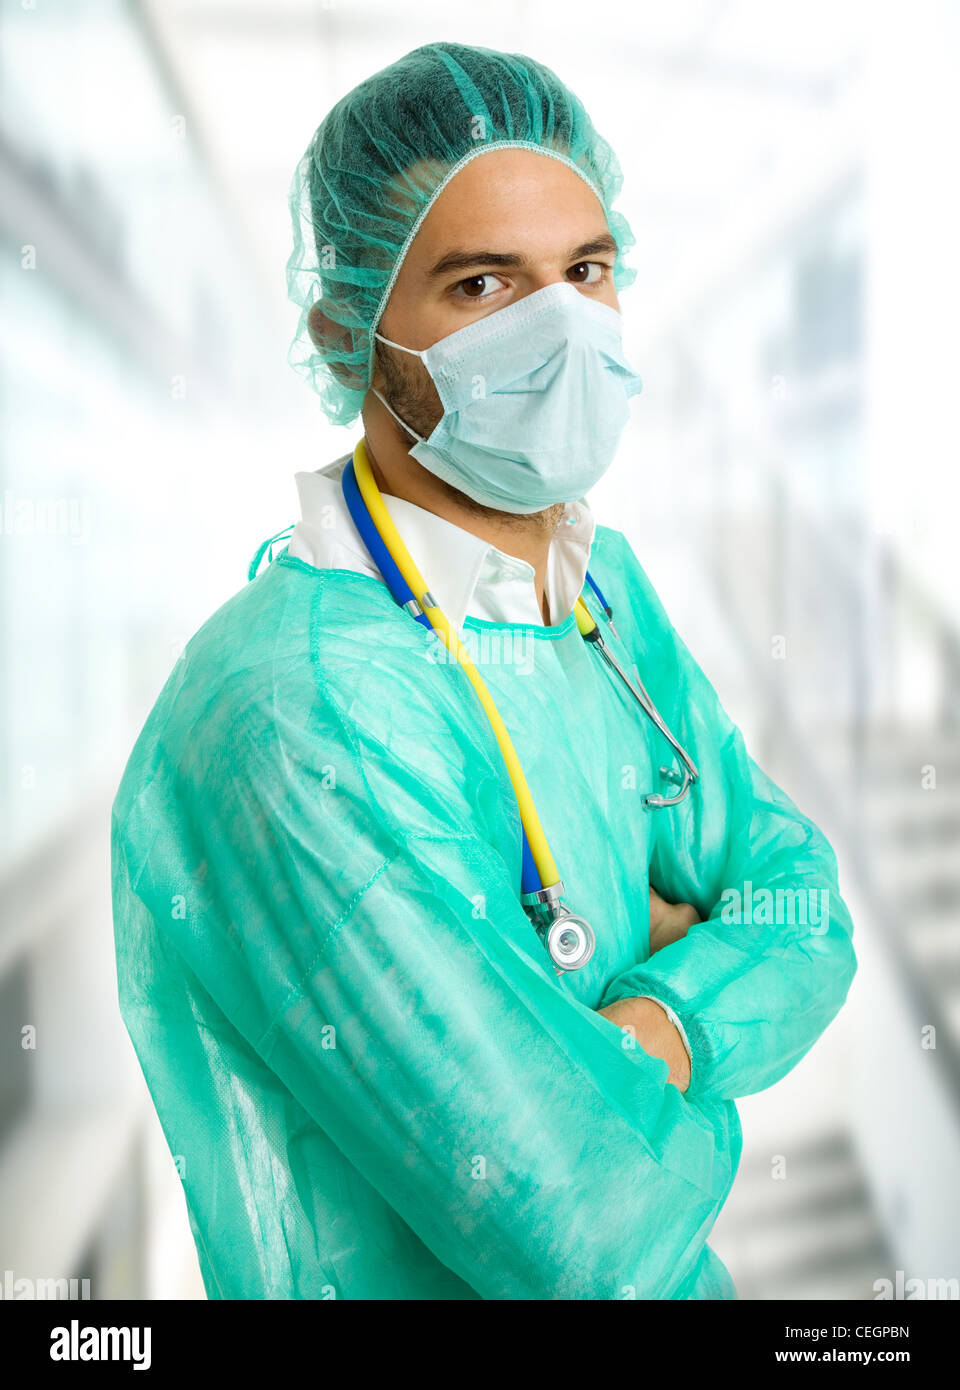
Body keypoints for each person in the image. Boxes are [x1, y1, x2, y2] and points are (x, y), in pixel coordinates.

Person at [110, 41, 857, 1301]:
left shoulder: (597, 590)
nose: (558, 324)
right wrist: (695, 1009)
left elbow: (805, 907)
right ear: (349, 329)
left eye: (587, 270)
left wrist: (652, 1031)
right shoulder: (300, 708)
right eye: (482, 285)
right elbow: (574, 1224)